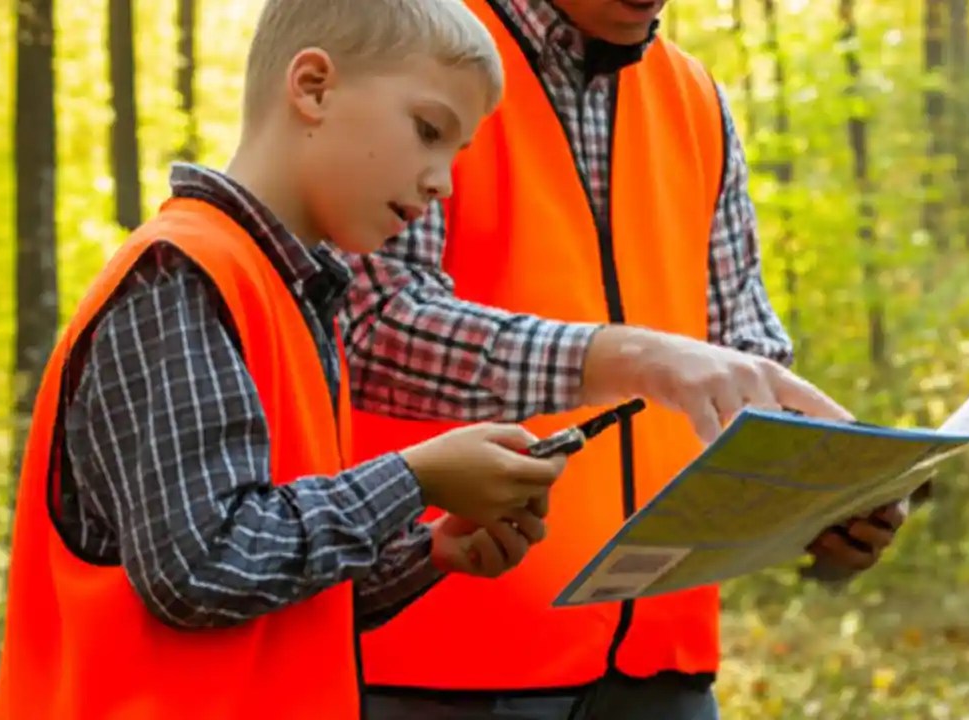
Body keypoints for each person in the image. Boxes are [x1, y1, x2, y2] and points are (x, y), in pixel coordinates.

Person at [0, 1, 567, 718]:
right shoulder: (181, 279)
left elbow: (270, 589)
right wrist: (415, 478)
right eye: (427, 132)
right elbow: (203, 567)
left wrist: (431, 552)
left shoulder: (287, 296)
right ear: (314, 87)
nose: (441, 181)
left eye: (456, 153)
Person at [344, 0, 908, 717]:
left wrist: (825, 494)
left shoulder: (696, 98)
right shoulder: (415, 52)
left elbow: (747, 351)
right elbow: (375, 326)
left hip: (664, 670)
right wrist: (628, 357)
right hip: (443, 666)